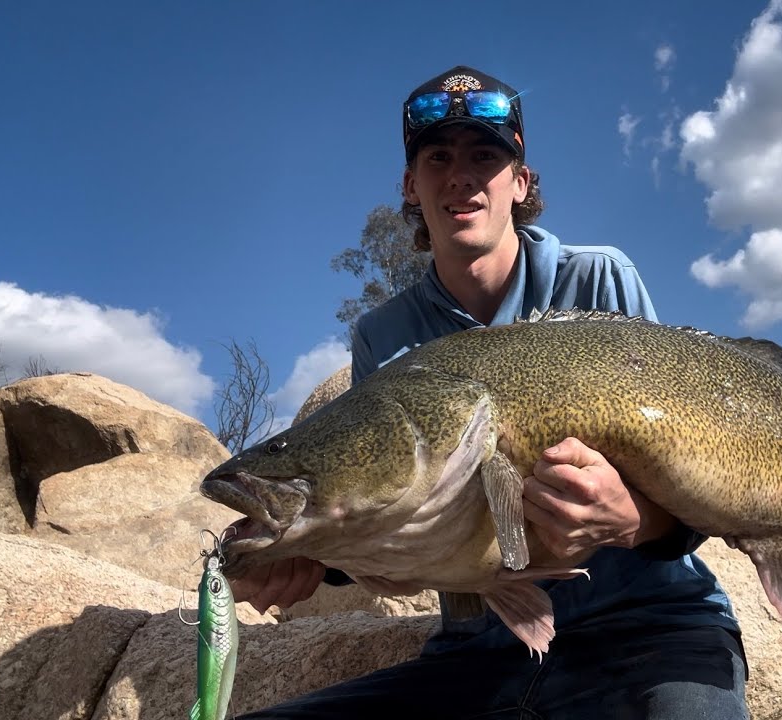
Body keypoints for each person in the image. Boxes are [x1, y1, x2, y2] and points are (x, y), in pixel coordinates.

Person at [232, 65, 748, 719]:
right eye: (438, 157)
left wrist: (637, 519)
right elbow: (399, 515)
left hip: (652, 631)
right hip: (476, 655)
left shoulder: (600, 279)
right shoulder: (384, 337)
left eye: (486, 155)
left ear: (521, 181)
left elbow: (690, 459)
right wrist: (309, 555)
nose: (461, 175)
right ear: (410, 186)